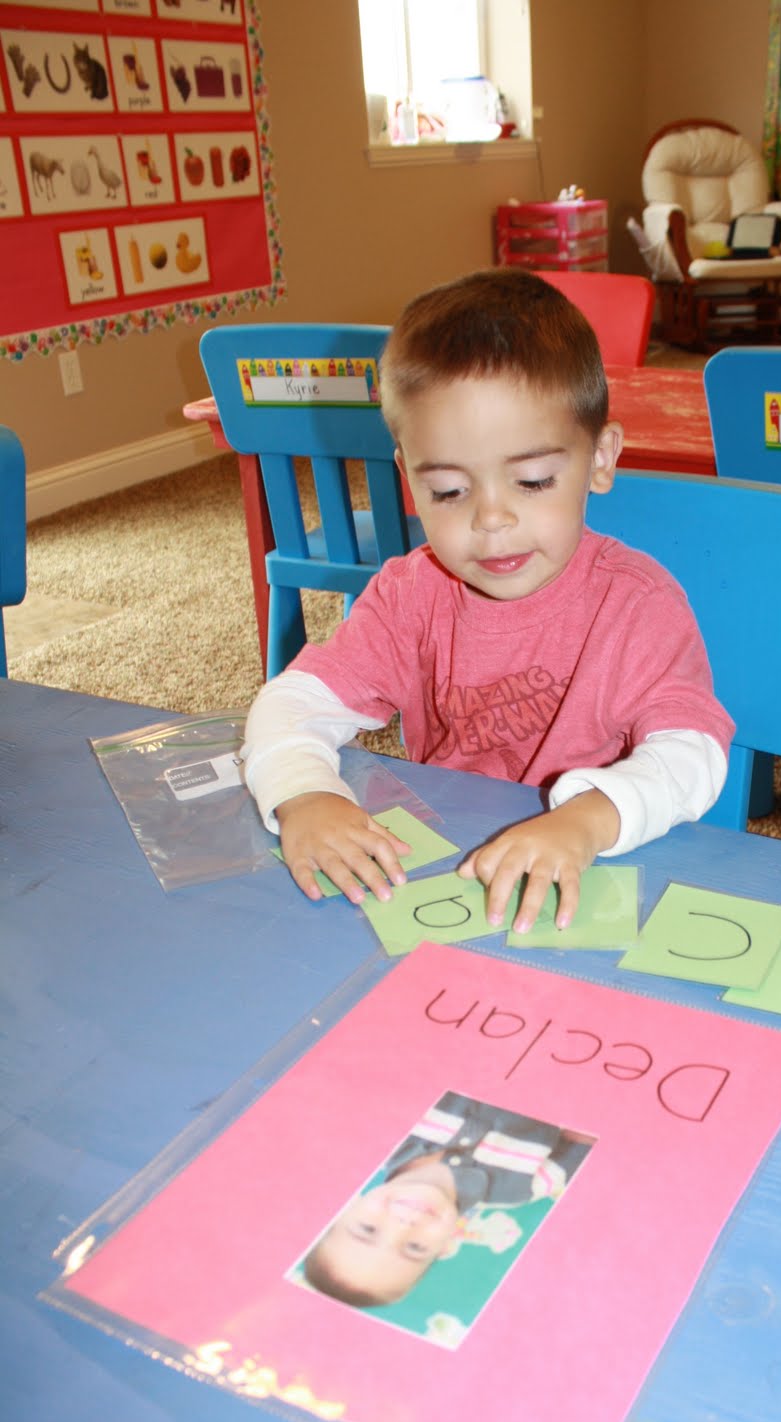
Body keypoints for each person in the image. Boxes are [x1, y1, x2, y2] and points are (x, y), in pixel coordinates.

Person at [241, 268, 734, 932]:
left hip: (607, 875)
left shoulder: (637, 604)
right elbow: (291, 702)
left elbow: (692, 752)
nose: (491, 519)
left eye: (531, 481)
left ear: (600, 458)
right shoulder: (411, 593)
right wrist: (303, 795)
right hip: (453, 881)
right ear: (408, 480)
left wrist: (585, 821)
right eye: (448, 491)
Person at [300, 1093, 592, 1308]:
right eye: (415, 1247)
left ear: (346, 1208)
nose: (405, 1225)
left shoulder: (381, 1131)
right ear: (445, 1247)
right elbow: (590, 1139)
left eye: (368, 1230)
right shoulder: (520, 1189)